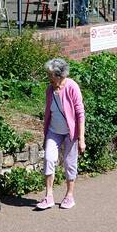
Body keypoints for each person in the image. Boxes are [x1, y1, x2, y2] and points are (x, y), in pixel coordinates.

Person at [37, 57, 85, 210]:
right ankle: (49, 196)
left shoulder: (72, 87)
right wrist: (46, 134)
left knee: (70, 163)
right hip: (53, 131)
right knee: (49, 158)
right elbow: (48, 112)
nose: (48, 78)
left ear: (59, 75)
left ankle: (69, 196)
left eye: (50, 75)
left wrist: (81, 138)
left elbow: (80, 114)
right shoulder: (50, 90)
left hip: (70, 133)